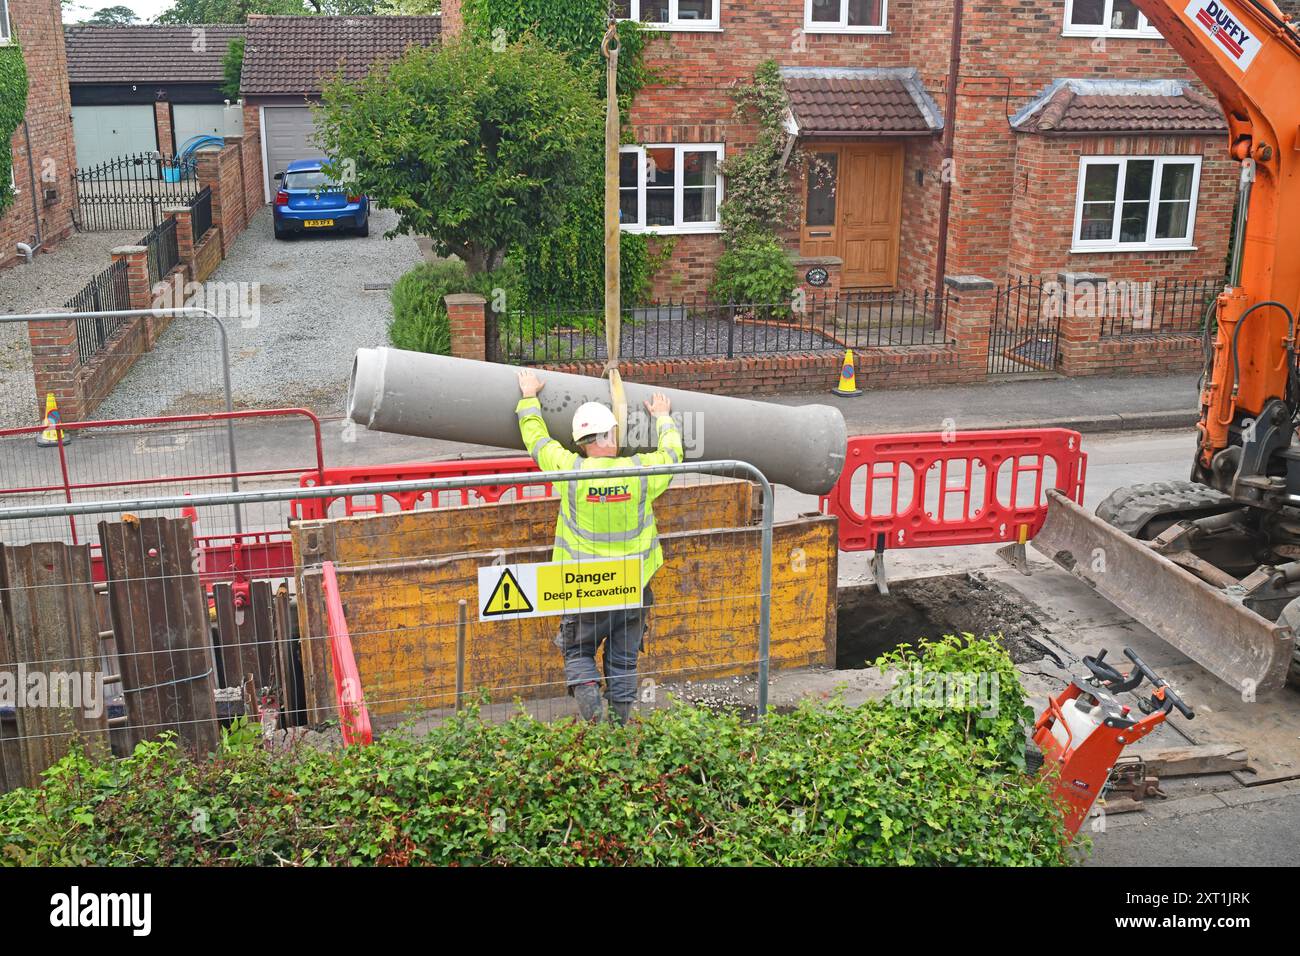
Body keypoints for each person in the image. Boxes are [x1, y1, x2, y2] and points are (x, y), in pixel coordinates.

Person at [515, 369, 683, 724]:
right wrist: (664, 419)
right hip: (631, 587)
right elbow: (671, 456)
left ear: (581, 442)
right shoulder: (639, 473)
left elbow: (538, 442)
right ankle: (619, 731)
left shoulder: (570, 472)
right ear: (611, 435)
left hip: (585, 586)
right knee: (623, 660)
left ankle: (594, 722)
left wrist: (529, 397)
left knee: (578, 652)